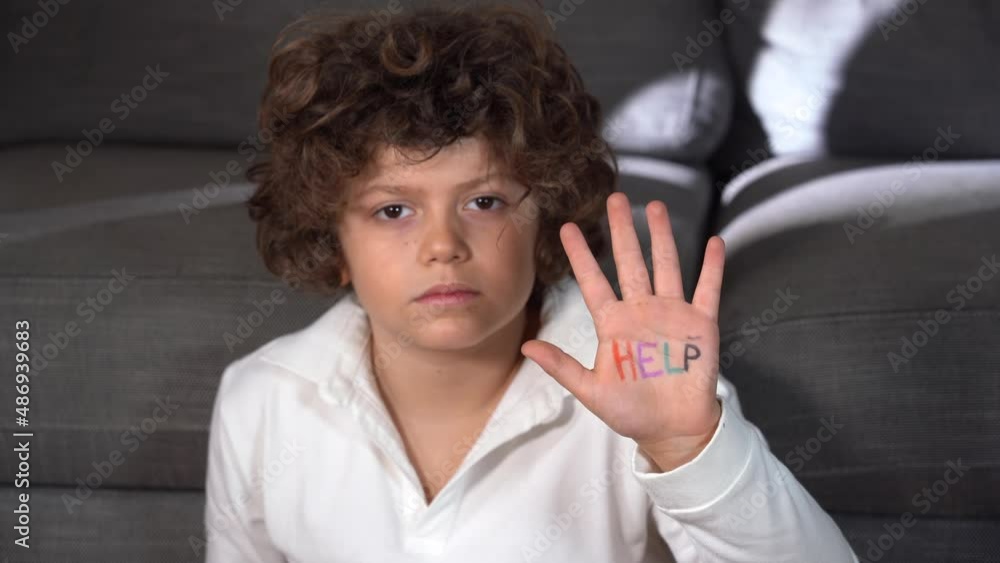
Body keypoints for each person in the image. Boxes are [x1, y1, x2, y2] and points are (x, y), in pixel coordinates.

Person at [203, 2, 858, 561]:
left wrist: (688, 447)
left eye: (484, 201)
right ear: (331, 238)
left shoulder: (648, 384)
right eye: (393, 210)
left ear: (544, 215)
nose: (443, 246)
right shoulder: (260, 399)